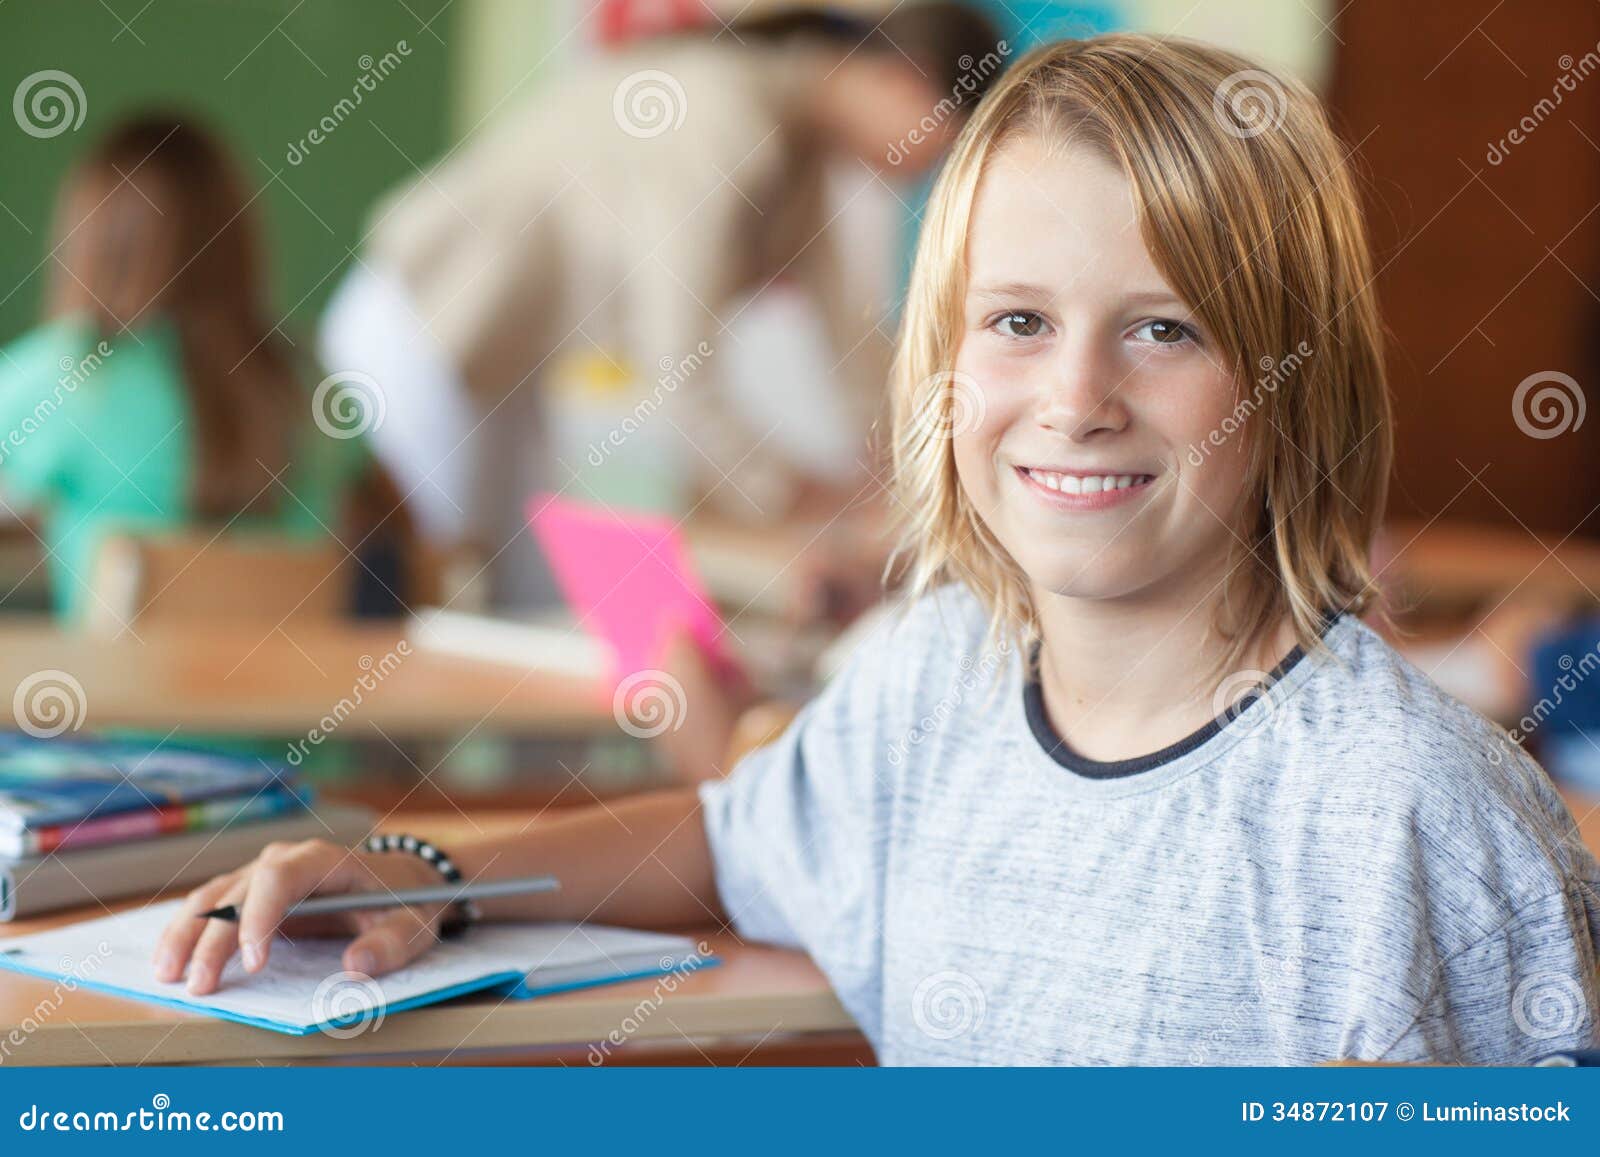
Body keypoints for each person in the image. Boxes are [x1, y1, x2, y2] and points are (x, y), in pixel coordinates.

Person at [154, 35, 1600, 1065]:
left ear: (1300, 384)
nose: (1076, 400)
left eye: (1167, 328)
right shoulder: (935, 688)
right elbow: (729, 832)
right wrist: (421, 868)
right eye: (1018, 322)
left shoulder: (1409, 815)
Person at [318, 2, 1005, 607]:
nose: (927, 170)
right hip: (417, 329)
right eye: (944, 141)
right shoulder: (724, 118)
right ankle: (401, 758)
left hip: (505, 365)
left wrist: (905, 470)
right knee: (445, 594)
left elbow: (853, 347)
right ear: (905, 77)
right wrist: (798, 495)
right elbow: (675, 370)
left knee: (532, 593)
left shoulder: (802, 161)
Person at [0, 116, 394, 620]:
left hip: (118, 697)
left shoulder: (68, 371)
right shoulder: (309, 375)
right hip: (300, 694)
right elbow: (386, 517)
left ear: (89, 238)